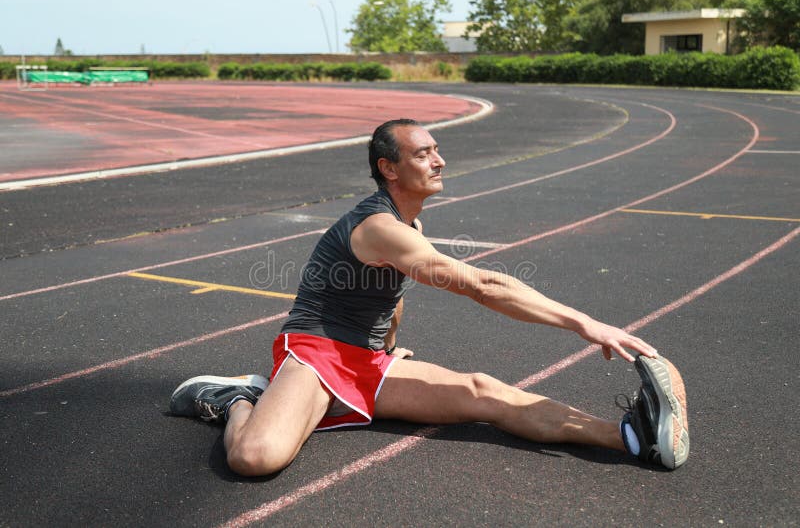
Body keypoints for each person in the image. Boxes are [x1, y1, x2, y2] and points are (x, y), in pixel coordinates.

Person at [170, 119, 689, 475]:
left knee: (485, 393)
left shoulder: (408, 222)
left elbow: (390, 293)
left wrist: (388, 346)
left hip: (367, 359)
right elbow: (482, 285)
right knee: (256, 459)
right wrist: (586, 325)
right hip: (317, 350)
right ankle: (238, 397)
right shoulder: (378, 225)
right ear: (389, 168)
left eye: (437, 150)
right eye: (424, 153)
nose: (439, 161)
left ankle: (628, 436)